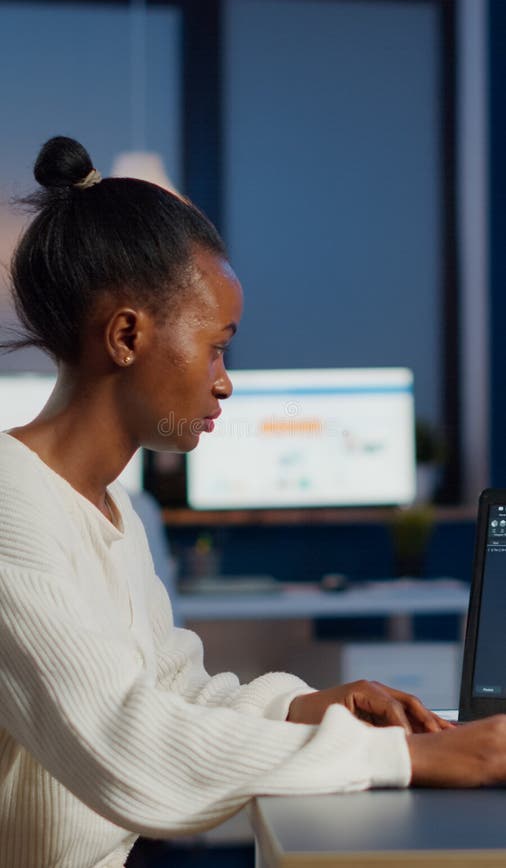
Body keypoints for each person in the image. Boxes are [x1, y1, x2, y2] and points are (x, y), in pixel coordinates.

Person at [0, 136, 505, 868]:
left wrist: (309, 706)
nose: (225, 381)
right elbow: (126, 744)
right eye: (216, 346)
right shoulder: (13, 511)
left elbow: (173, 691)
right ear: (127, 335)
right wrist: (409, 758)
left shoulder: (106, 509)